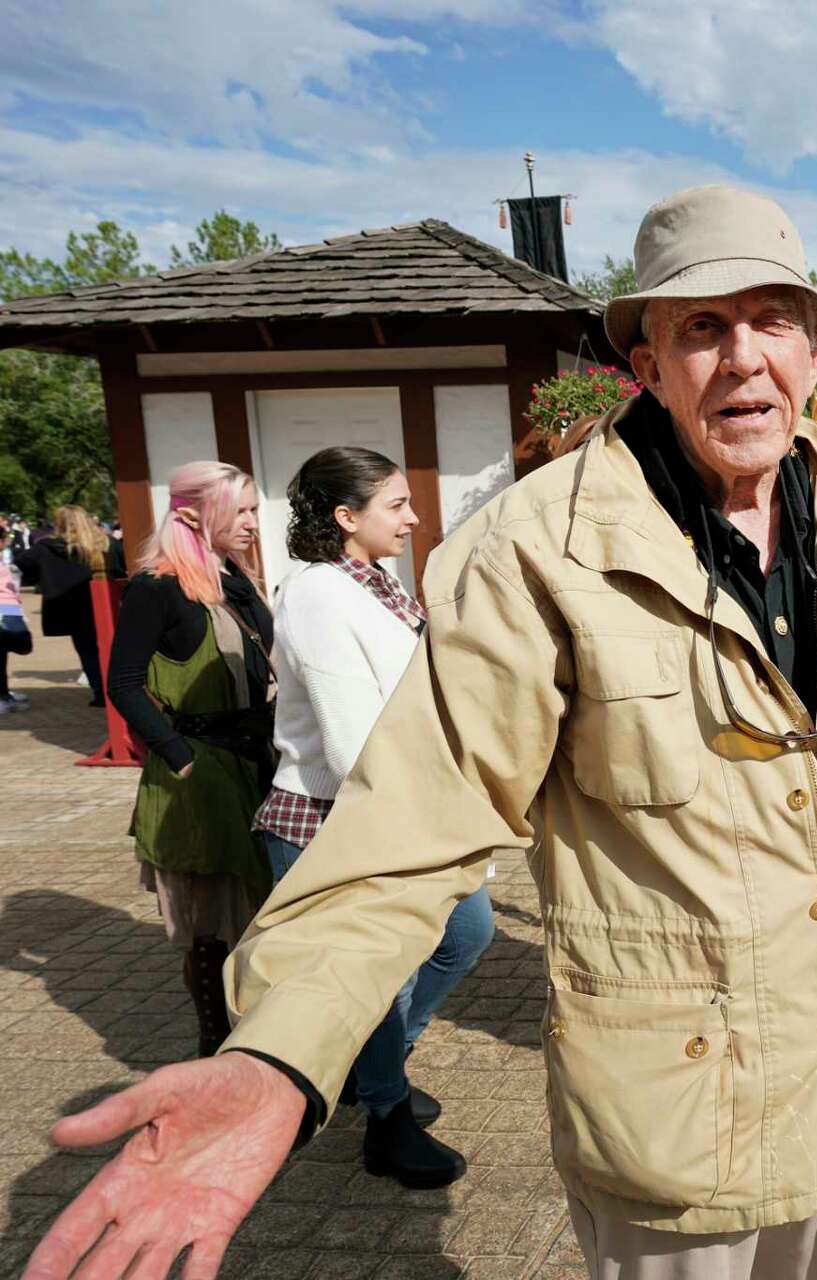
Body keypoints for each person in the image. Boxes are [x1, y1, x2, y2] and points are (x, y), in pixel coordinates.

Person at [28, 186, 817, 1280]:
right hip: (687, 1117)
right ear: (648, 363)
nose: (743, 358)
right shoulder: (534, 551)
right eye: (702, 326)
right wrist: (279, 1055)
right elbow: (409, 823)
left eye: (773, 320)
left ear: (815, 352)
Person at [259, 446, 494, 1189]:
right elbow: (350, 742)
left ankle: (375, 1069)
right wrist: (438, 812)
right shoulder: (318, 594)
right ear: (345, 516)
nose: (413, 517)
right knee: (378, 975)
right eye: (396, 505)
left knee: (465, 934)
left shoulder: (374, 582)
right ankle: (386, 1122)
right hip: (337, 818)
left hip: (397, 805)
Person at [104, 462, 275, 1060]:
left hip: (255, 763)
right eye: (239, 511)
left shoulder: (236, 579)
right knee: (212, 924)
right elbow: (123, 683)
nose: (252, 523)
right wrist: (178, 756)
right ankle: (215, 1047)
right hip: (200, 777)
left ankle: (262, 1037)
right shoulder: (157, 587)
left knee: (258, 912)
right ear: (191, 514)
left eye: (253, 510)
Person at [15, 505, 122, 705]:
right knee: (115, 647)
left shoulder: (45, 546)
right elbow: (122, 566)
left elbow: (22, 562)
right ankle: (121, 691)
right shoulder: (106, 542)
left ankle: (101, 693)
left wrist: (43, 575)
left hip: (71, 607)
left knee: (88, 651)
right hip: (107, 603)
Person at [0, 555, 30, 713]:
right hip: (4, 605)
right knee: (21, 643)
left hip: (8, 605)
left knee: (4, 651)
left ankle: (4, 693)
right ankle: (2, 697)